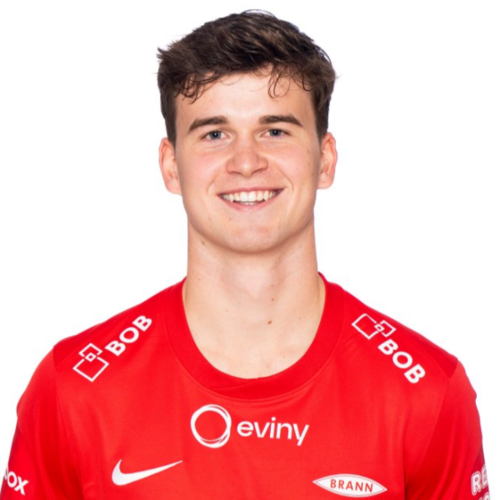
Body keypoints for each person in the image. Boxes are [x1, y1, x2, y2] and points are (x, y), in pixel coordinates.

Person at [1, 10, 489, 500]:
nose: (246, 161)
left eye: (275, 131)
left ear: (325, 159)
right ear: (171, 166)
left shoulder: (426, 393)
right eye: (214, 134)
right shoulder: (74, 390)